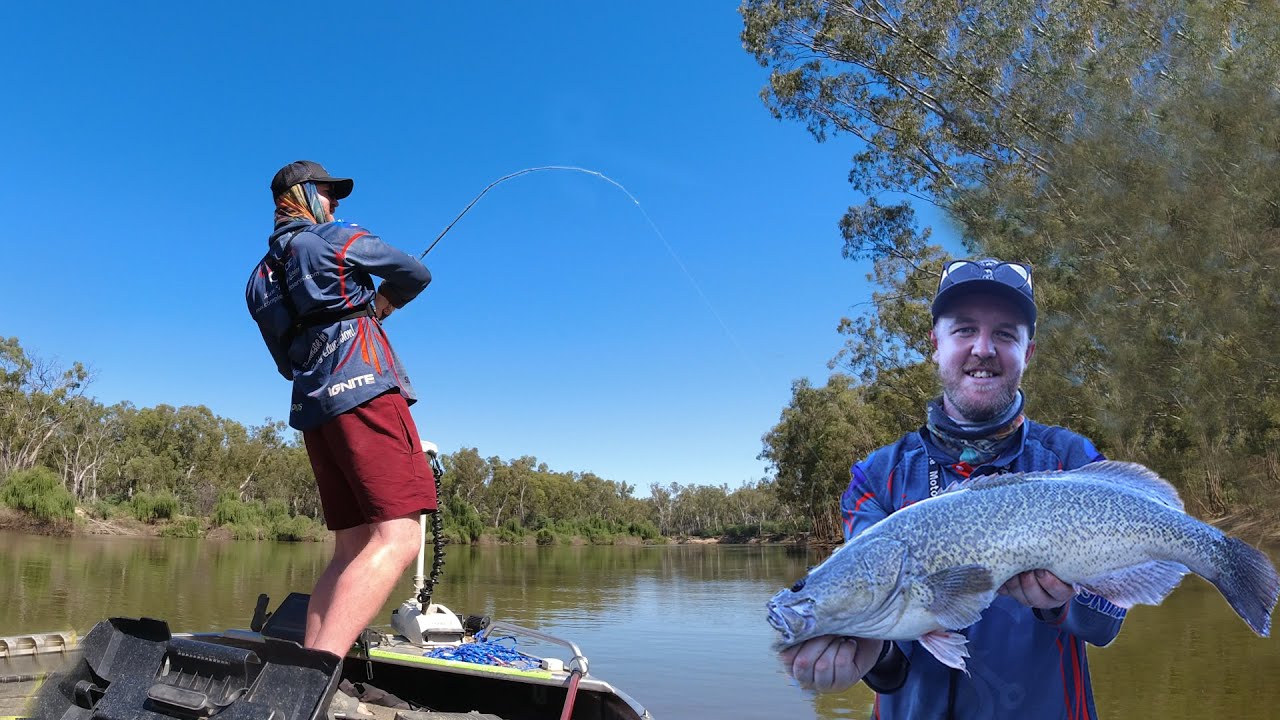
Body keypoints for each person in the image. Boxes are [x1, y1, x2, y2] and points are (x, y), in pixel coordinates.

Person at [782, 258, 1125, 719]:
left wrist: (1062, 604)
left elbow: (1107, 622)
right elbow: (884, 633)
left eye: (1005, 333)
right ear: (935, 344)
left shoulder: (1072, 461)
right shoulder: (877, 477)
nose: (983, 348)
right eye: (964, 329)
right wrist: (870, 654)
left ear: (1028, 352)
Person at [245, 160, 437, 658]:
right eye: (328, 193)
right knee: (399, 539)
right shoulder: (333, 237)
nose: (335, 203)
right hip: (366, 393)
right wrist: (382, 303)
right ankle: (318, 672)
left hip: (315, 410)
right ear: (305, 195)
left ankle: (303, 670)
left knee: (350, 547)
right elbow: (415, 273)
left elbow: (286, 364)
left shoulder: (258, 281)